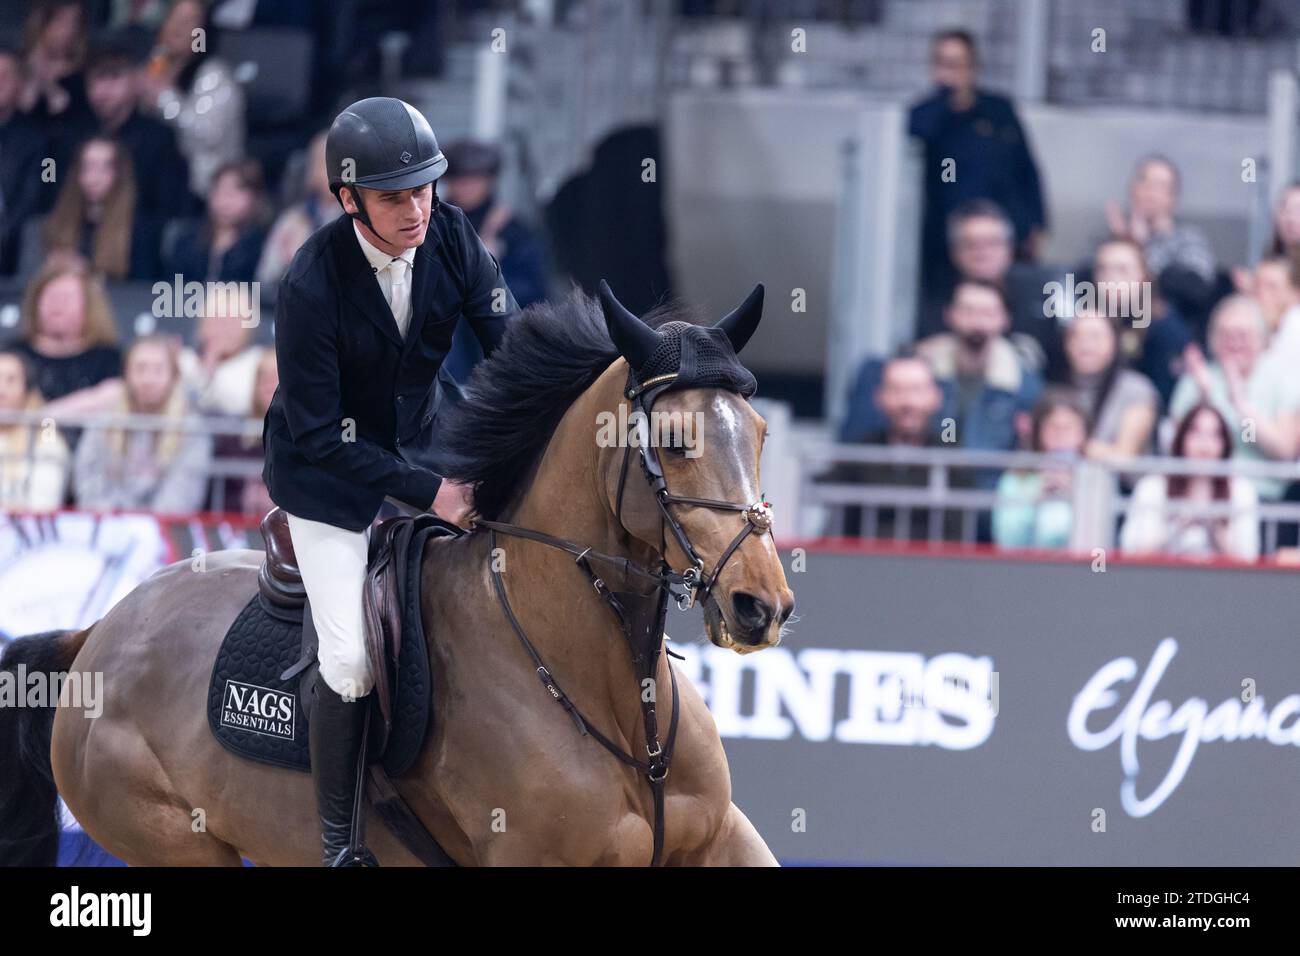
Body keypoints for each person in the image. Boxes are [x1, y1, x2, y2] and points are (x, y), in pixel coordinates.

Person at [262, 96, 519, 866]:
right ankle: (340, 843)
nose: (416, 209)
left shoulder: (449, 231)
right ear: (347, 199)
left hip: (425, 437)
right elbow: (320, 434)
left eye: (425, 188)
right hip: (325, 476)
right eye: (393, 196)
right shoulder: (310, 284)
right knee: (349, 663)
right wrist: (431, 493)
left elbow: (507, 341)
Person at [909, 29, 1046, 291]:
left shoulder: (998, 111)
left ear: (973, 68)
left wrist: (1035, 225)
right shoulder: (925, 115)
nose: (950, 73)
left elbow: (1026, 168)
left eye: (957, 64)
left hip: (1006, 237)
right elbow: (914, 139)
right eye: (943, 63)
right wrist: (942, 101)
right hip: (946, 247)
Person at [1169, 294, 1300, 501]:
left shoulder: (1282, 379)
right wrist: (1204, 397)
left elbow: (1282, 450)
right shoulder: (1196, 380)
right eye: (1225, 335)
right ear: (1212, 340)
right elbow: (1176, 447)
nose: (1234, 342)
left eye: (1242, 335)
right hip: (1203, 496)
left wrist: (1242, 405)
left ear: (1262, 339)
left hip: (1261, 496)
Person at [438, 139, 549, 382]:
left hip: (493, 342)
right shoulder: (431, 223)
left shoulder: (512, 230)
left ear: (489, 180)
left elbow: (534, 292)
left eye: (474, 179)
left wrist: (489, 276)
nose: (466, 186)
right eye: (459, 179)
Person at [822, 350, 964, 540]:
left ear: (936, 397)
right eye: (896, 390)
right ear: (879, 397)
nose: (907, 402)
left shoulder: (953, 460)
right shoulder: (859, 456)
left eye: (916, 390)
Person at [916, 199, 1065, 375]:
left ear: (1009, 248)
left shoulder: (1042, 292)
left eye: (992, 243)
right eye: (971, 244)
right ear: (954, 252)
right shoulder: (932, 297)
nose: (982, 253)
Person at [913, 278, 1042, 479]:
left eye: (988, 313)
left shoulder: (1022, 383)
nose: (977, 322)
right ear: (949, 314)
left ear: (1005, 319)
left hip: (992, 496)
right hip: (928, 489)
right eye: (968, 311)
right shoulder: (922, 373)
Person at [73, 333, 212, 513]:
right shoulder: (103, 424)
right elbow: (88, 483)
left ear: (174, 376)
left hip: (166, 531)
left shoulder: (192, 430)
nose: (148, 379)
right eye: (140, 368)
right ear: (126, 374)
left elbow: (183, 494)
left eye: (158, 370)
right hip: (107, 527)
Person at [1120, 402, 1259, 562]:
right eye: (1196, 432)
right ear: (1181, 438)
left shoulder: (1242, 490)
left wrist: (1213, 528)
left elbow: (1248, 560)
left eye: (1215, 435)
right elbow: (1131, 553)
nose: (1205, 444)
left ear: (1225, 445)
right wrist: (1178, 526)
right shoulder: (1153, 486)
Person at [78, 35, 194, 219]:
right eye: (96, 78)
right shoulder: (75, 135)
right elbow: (55, 188)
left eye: (114, 76)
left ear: (137, 79)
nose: (103, 90)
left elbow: (171, 209)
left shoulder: (159, 140)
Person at [138, 0, 245, 196]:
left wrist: (165, 99)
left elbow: (206, 135)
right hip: (155, 176)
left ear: (202, 31)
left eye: (189, 21)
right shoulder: (157, 64)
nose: (178, 28)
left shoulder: (215, 75)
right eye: (174, 19)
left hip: (202, 186)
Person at [19, 135, 160, 281]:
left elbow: (140, 292)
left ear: (120, 175)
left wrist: (85, 272)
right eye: (87, 167)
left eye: (104, 169)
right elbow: (26, 286)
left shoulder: (140, 231)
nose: (93, 178)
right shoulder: (49, 226)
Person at [1105, 155, 1217, 328]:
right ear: (1132, 189)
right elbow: (1087, 287)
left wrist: (1139, 248)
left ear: (1174, 198)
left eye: (1160, 186)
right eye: (1145, 183)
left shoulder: (1189, 238)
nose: (1151, 193)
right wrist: (1121, 242)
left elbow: (1196, 292)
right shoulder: (1111, 236)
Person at [3, 264, 123, 421]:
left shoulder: (109, 358)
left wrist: (46, 415)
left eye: (66, 298)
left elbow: (115, 393)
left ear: (89, 306)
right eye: (50, 297)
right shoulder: (13, 354)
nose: (57, 305)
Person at [1090, 237, 1191, 411]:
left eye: (1122, 270)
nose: (1110, 279)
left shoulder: (1164, 327)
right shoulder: (1090, 322)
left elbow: (1168, 399)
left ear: (1144, 276)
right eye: (1103, 270)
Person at [1056, 310, 1158, 463]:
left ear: (1115, 341)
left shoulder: (1136, 390)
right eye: (1077, 336)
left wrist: (1076, 446)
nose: (1085, 345)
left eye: (1095, 336)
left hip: (1123, 485)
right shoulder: (1058, 392)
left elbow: (1124, 458)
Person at [993, 394, 1089, 551]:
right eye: (1053, 427)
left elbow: (1100, 542)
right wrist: (1035, 496)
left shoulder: (1096, 479)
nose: (1061, 434)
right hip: (1027, 568)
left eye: (1069, 427)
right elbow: (1008, 540)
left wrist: (1075, 494)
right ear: (1038, 432)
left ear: (1083, 433)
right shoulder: (1017, 478)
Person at [255, 131, 340, 284]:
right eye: (327, 165)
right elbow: (266, 277)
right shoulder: (292, 220)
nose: (338, 174)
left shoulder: (361, 221)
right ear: (313, 171)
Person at [165, 158, 269, 282]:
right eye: (219, 190)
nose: (225, 201)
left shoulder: (262, 245)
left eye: (235, 192)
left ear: (254, 197)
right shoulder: (187, 240)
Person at [0, 347, 71, 510]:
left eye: (11, 380)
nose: (1, 390)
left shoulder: (47, 428)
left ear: (27, 388)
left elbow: (45, 501)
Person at [209, 347, 276, 515]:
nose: (270, 383)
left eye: (277, 375)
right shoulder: (232, 438)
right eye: (263, 376)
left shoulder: (309, 438)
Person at [0, 46, 49, 276]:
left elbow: (43, 188)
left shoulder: (40, 140)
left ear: (20, 83)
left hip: (12, 241)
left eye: (5, 76)